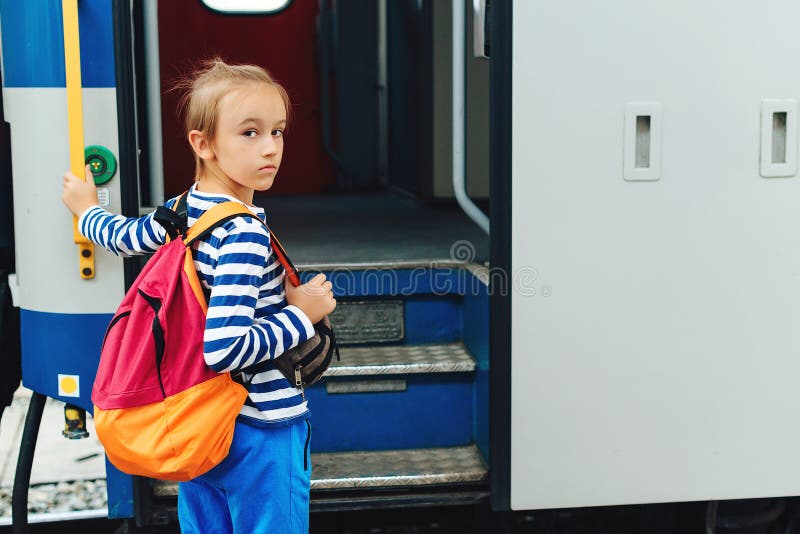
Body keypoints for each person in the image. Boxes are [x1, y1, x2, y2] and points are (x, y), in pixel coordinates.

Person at [61, 58, 335, 533]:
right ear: (203, 144)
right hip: (262, 430)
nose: (270, 148)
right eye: (250, 133)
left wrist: (86, 210)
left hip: (201, 426)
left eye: (278, 131)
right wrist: (301, 315)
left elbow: (122, 237)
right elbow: (225, 348)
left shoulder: (180, 210)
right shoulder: (244, 233)